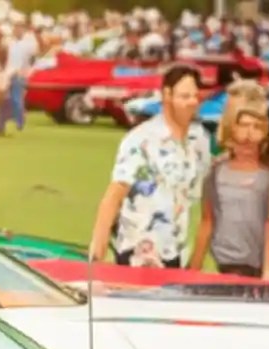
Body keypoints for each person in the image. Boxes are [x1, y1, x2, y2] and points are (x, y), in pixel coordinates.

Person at [90, 64, 211, 268]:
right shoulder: (141, 140)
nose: (191, 102)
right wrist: (96, 254)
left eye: (194, 96)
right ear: (167, 95)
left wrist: (196, 261)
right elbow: (113, 196)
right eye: (184, 96)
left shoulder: (200, 141)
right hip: (137, 253)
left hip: (175, 253)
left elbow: (205, 206)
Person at [188, 81, 269, 278]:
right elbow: (207, 221)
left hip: (260, 263)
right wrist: (193, 268)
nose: (247, 134)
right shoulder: (217, 171)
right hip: (228, 262)